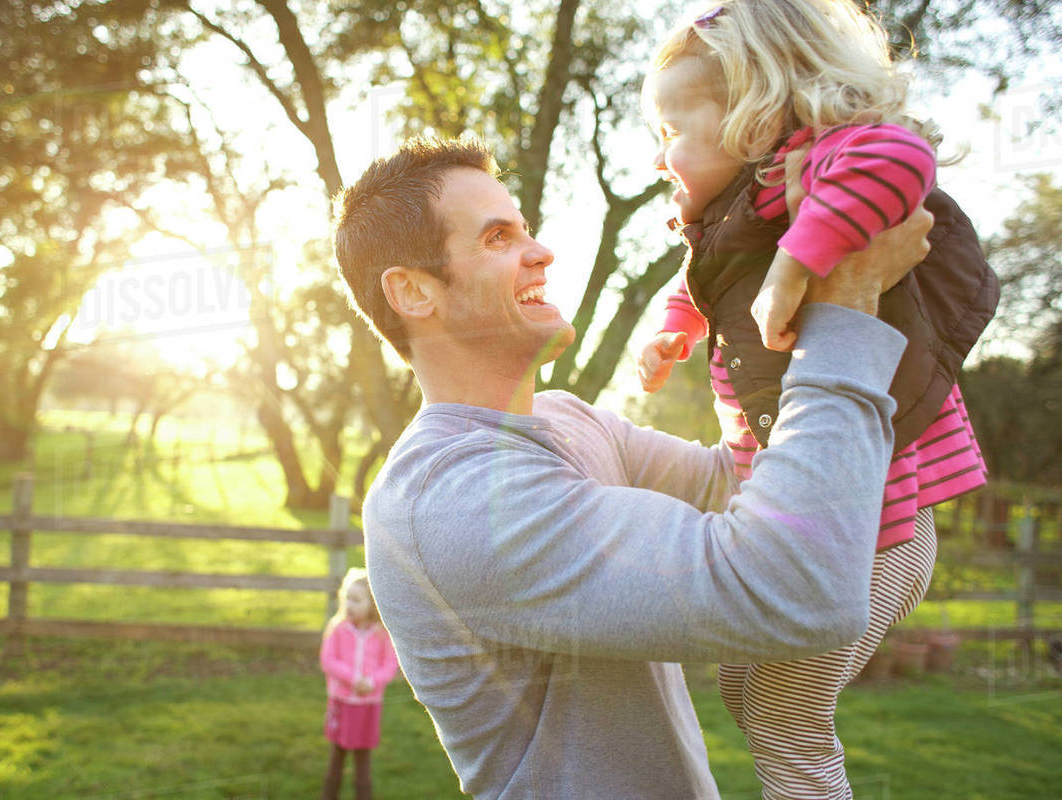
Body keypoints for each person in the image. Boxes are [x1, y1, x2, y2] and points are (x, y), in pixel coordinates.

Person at [332, 135, 931, 799]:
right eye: (499, 238)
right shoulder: (447, 498)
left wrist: (816, 231)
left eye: (525, 228)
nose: (541, 252)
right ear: (414, 291)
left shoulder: (571, 419)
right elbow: (792, 587)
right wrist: (843, 312)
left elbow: (755, 487)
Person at [635, 1, 998, 797]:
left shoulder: (835, 159)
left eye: (672, 129)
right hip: (836, 525)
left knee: (787, 716)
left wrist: (798, 264)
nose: (662, 154)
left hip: (882, 530)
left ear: (753, 111)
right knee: (745, 691)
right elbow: (704, 284)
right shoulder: (735, 220)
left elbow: (901, 161)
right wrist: (671, 329)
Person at [318, 568, 400, 800]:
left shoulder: (382, 634)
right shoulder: (337, 628)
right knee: (337, 757)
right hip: (342, 703)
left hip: (368, 706)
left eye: (356, 600)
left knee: (363, 761)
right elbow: (328, 660)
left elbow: (390, 665)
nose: (349, 605)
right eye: (347, 598)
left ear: (372, 604)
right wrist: (353, 680)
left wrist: (372, 682)